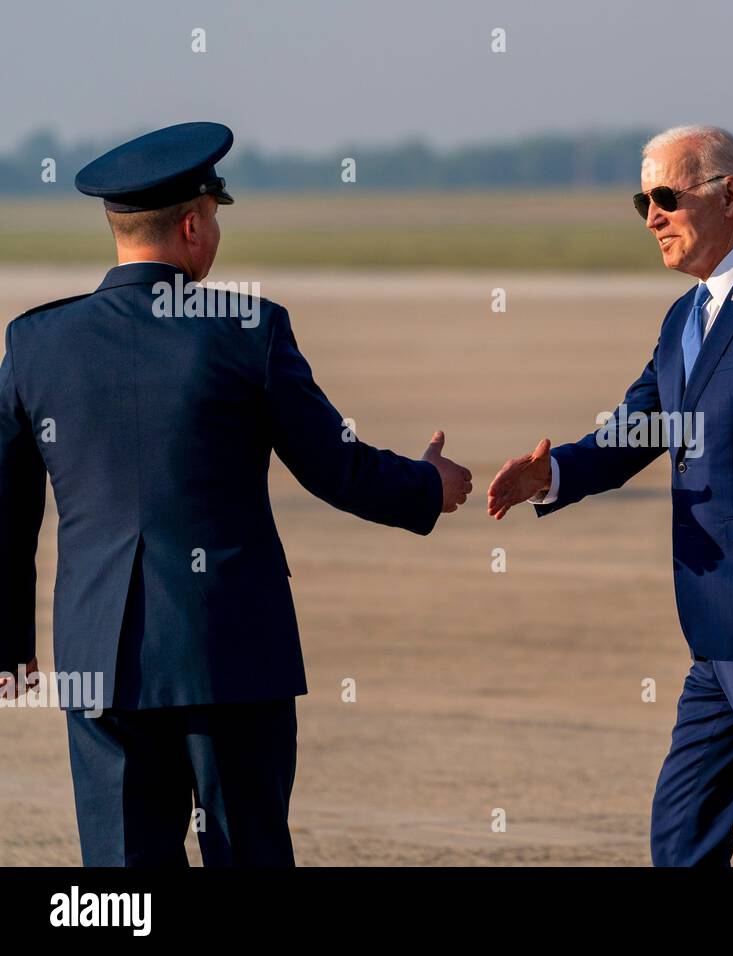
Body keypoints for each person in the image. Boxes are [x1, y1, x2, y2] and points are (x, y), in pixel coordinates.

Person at [0, 122, 472, 866]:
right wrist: (426, 485)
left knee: (123, 880)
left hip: (100, 656)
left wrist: (7, 646)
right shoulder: (247, 329)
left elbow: (7, 512)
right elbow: (335, 468)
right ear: (192, 226)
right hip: (231, 650)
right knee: (248, 852)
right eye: (214, 217)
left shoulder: (35, 342)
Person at [486, 125, 733, 866]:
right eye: (643, 200)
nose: (651, 216)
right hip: (714, 637)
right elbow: (638, 426)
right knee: (681, 842)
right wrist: (554, 475)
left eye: (666, 196)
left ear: (727, 195)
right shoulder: (684, 319)